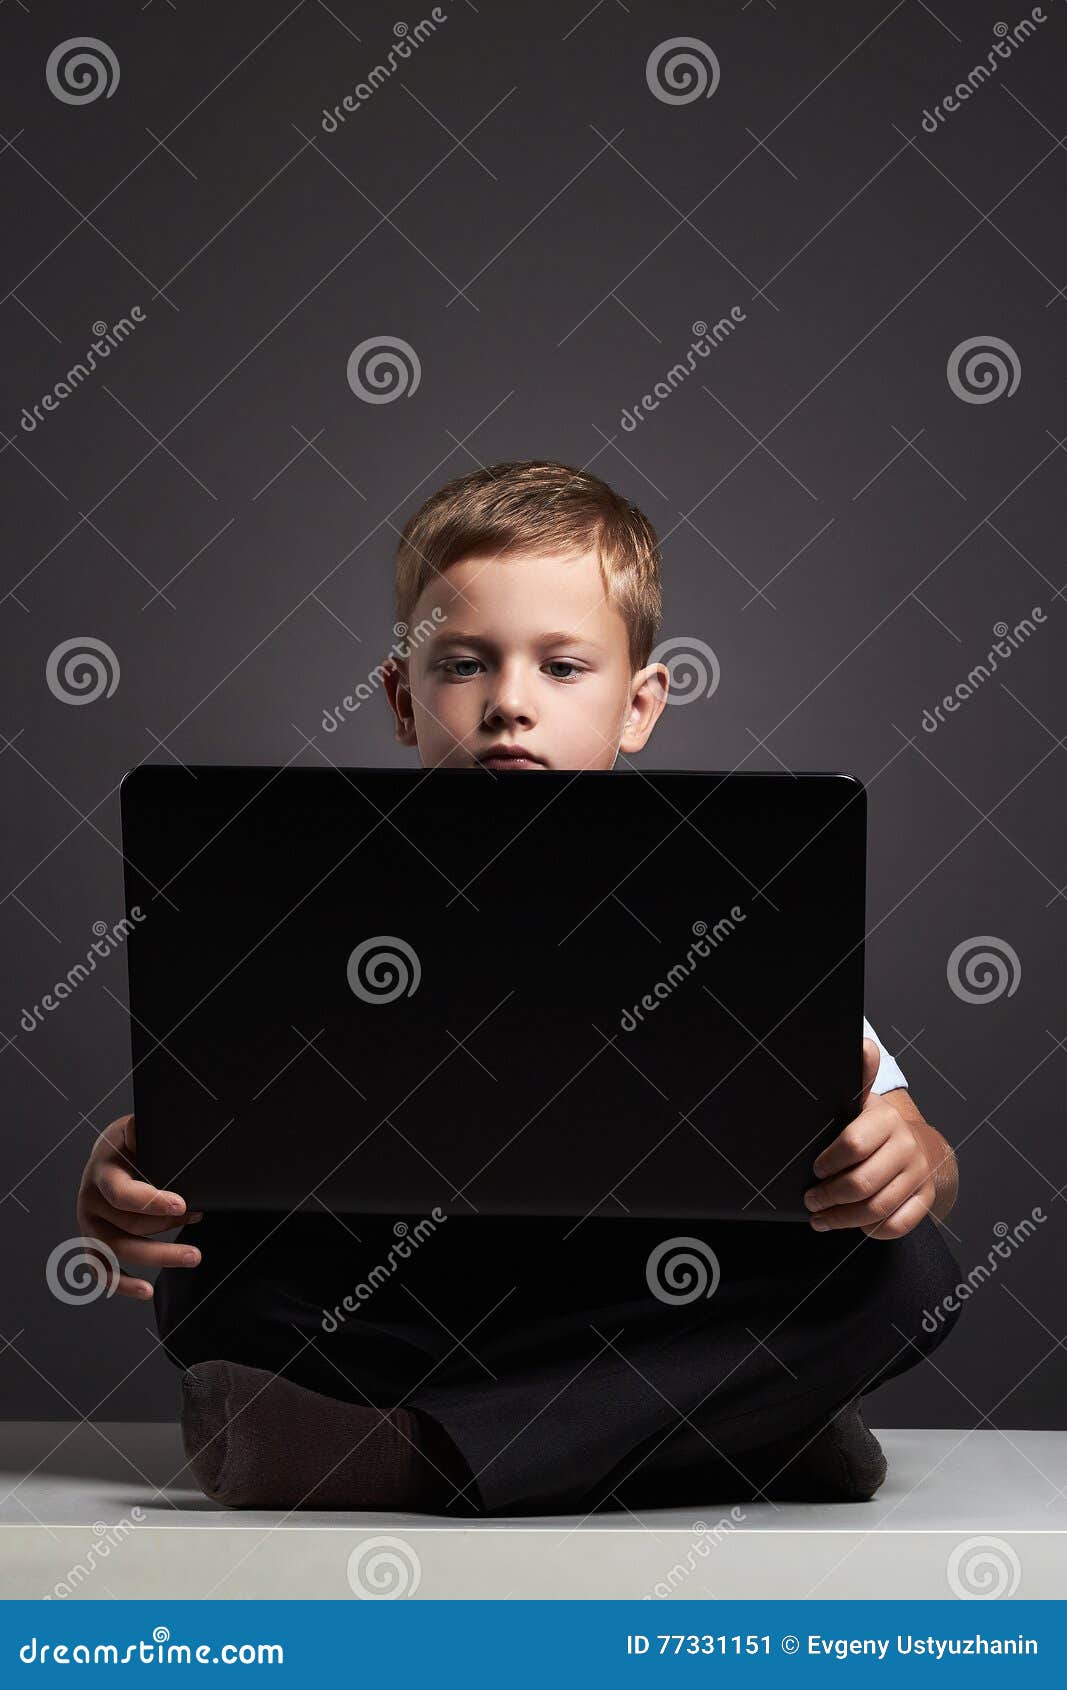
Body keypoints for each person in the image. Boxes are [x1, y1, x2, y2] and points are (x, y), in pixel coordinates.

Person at [75, 461, 963, 1515]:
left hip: (635, 1298)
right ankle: (730, 1439)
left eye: (560, 667)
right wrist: (130, 1174)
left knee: (907, 1275)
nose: (507, 703)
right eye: (464, 664)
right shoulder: (300, 887)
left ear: (639, 703)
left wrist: (909, 1163)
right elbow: (204, 1138)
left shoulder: (715, 896)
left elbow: (912, 1146)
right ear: (403, 699)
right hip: (408, 1306)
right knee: (203, 1274)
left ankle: (411, 1455)